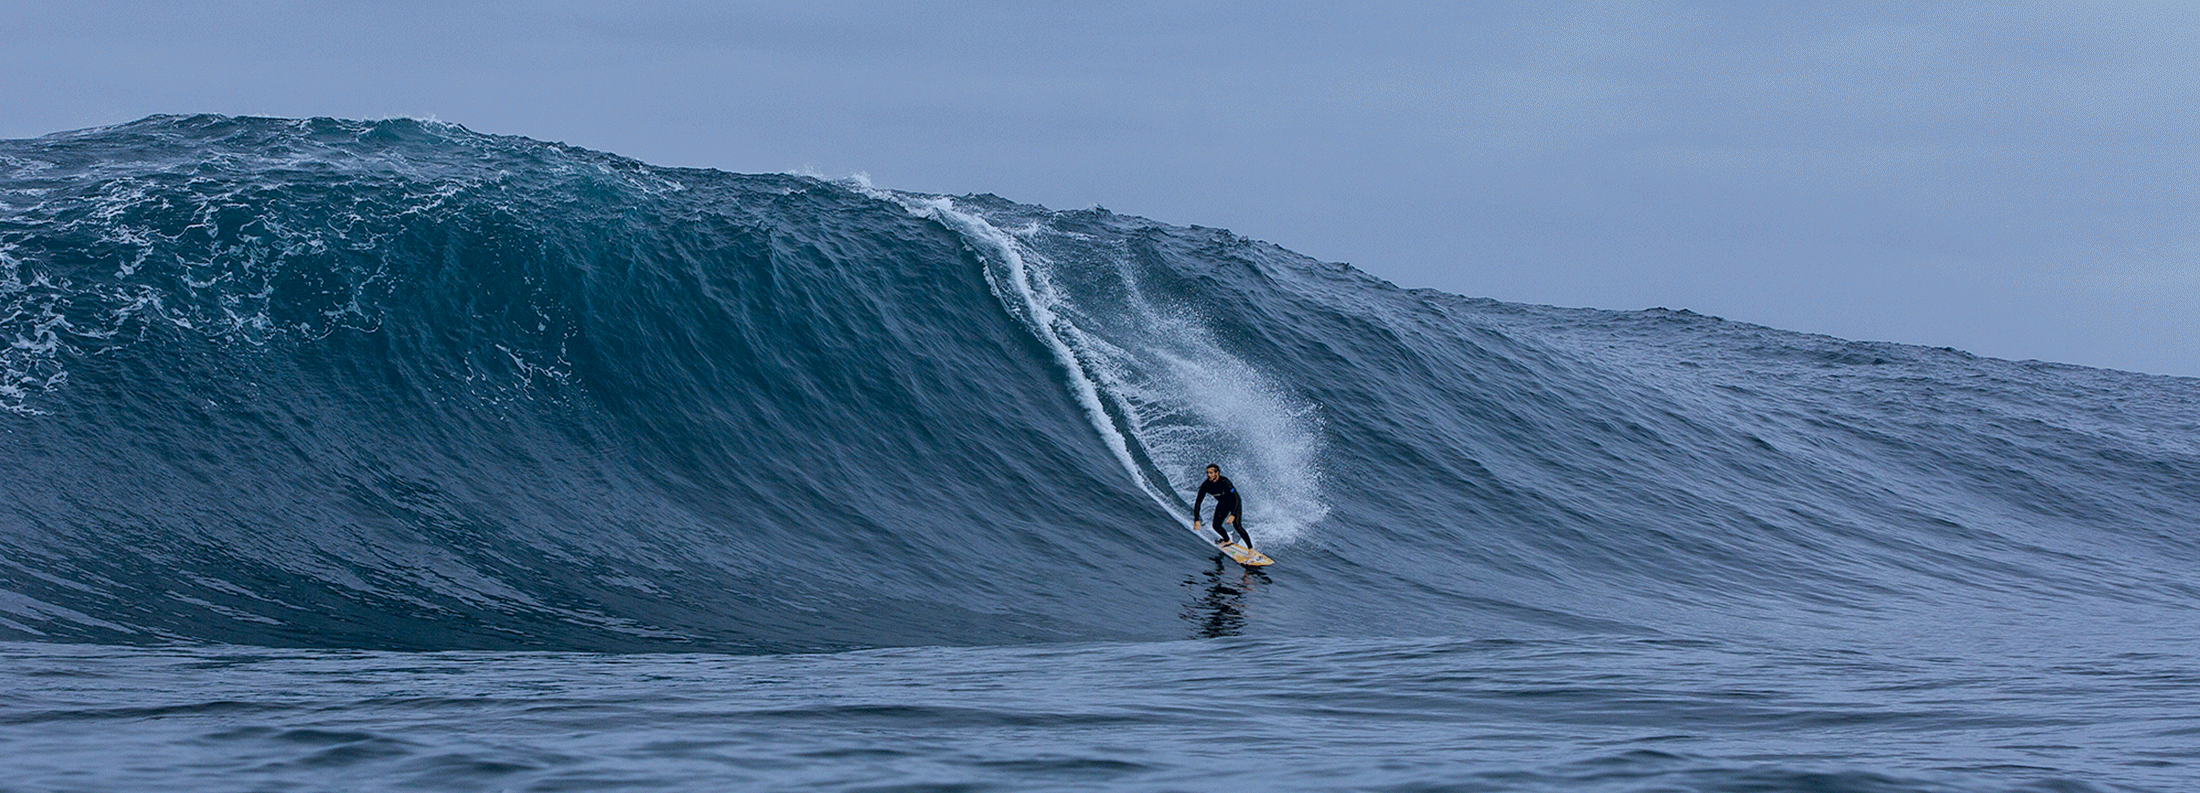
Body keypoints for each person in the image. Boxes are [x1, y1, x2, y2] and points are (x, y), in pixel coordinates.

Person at [1192, 463, 1253, 549]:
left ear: (1217, 473)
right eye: (1207, 473)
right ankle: (1227, 540)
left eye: (1211, 473)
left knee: (1237, 526)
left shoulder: (1225, 482)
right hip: (1223, 504)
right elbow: (1198, 502)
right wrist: (1196, 520)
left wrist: (1233, 514)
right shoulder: (1205, 485)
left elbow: (1236, 498)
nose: (1208, 475)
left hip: (1234, 503)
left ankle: (1251, 549)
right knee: (1216, 526)